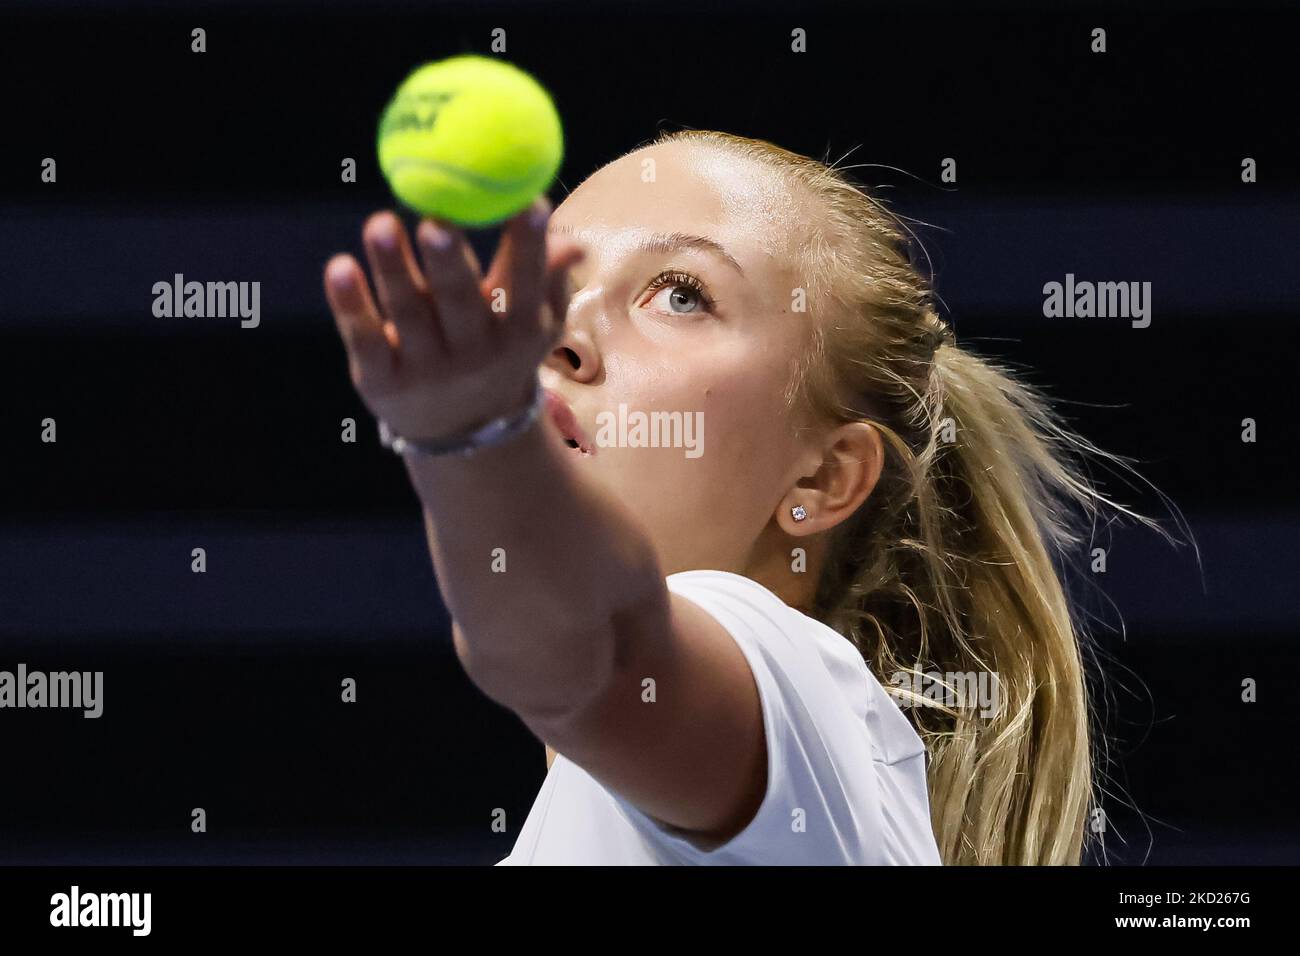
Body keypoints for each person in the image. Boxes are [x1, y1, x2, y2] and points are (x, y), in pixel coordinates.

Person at [323, 129, 1155, 865]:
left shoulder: (807, 687)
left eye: (682, 294)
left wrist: (475, 446)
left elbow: (591, 655)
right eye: (550, 285)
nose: (559, 334)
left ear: (824, 479)